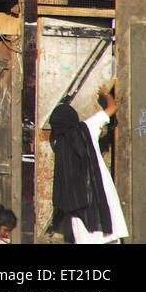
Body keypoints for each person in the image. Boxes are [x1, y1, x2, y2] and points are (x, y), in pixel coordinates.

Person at [49, 79, 128, 244]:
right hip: (100, 187)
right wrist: (105, 93)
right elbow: (112, 108)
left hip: (78, 201)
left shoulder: (58, 143)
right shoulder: (88, 128)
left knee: (85, 237)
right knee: (110, 230)